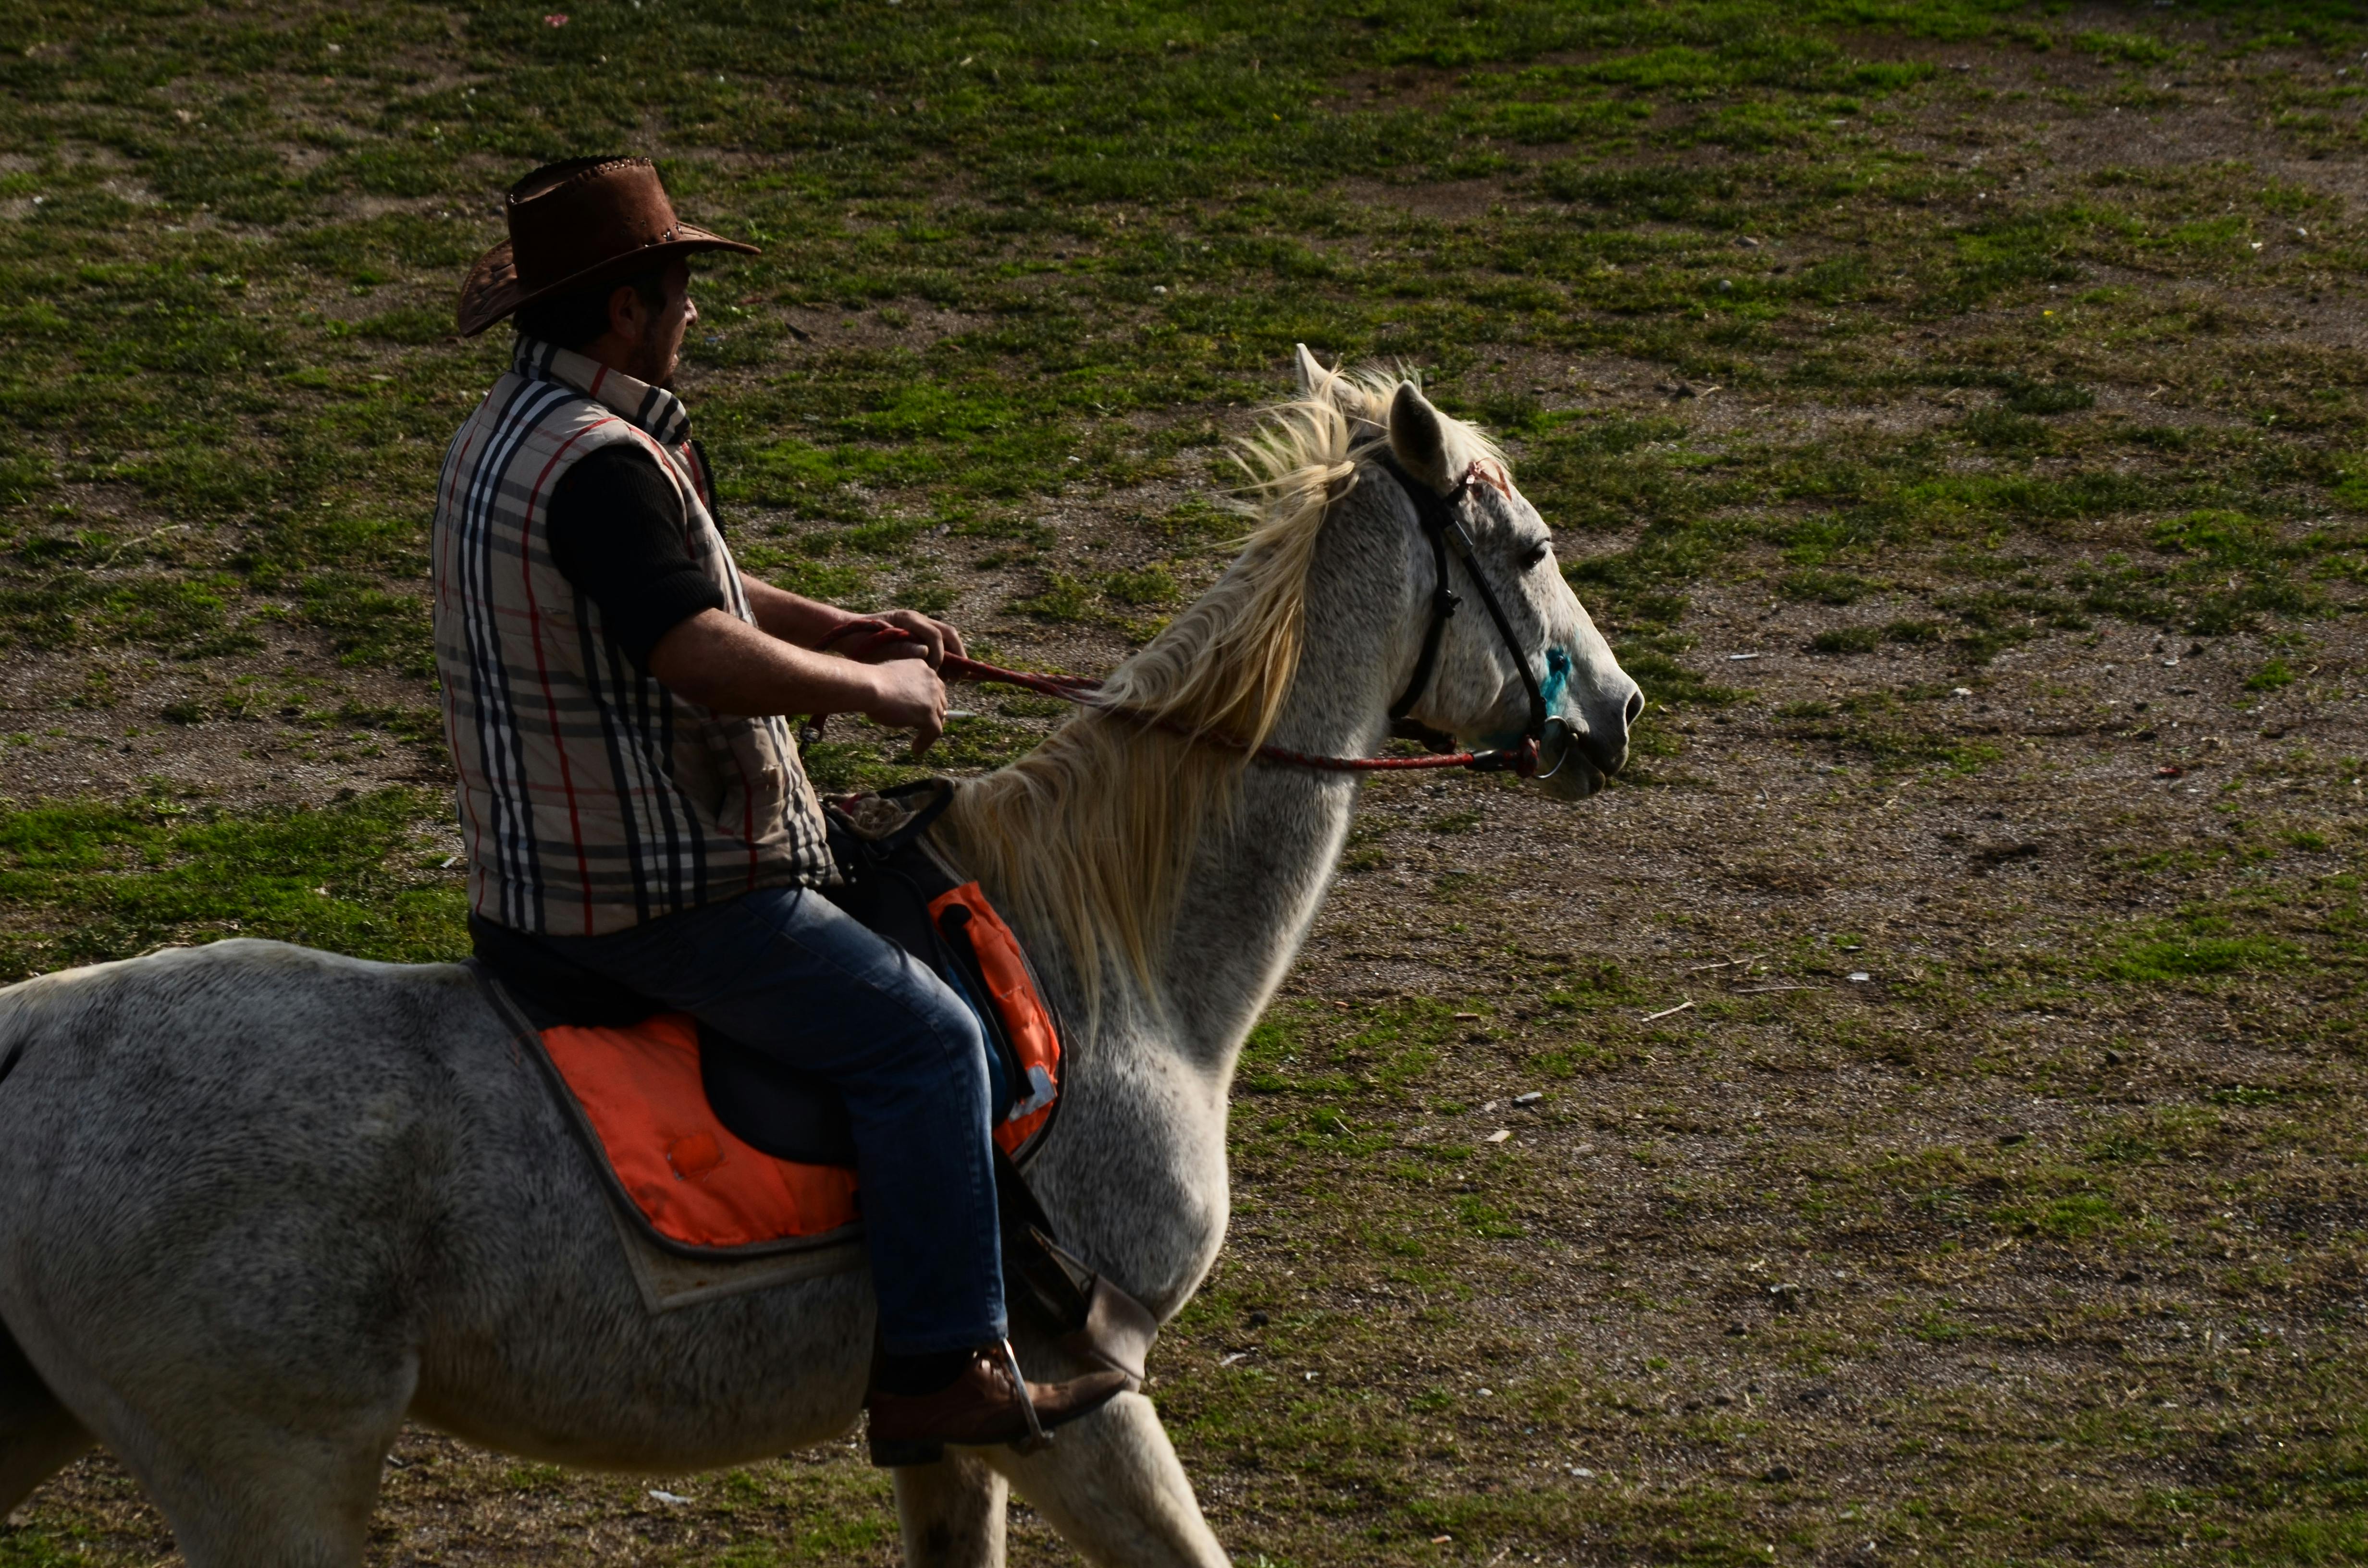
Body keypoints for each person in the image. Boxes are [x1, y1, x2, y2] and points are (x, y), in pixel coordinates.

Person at [432, 155, 1123, 1456]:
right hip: (651, 897)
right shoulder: (603, 463)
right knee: (926, 1041)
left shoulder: (523, 429)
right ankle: (943, 1366)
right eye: (680, 289)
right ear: (627, 309)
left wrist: (849, 629)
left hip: (534, 878)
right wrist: (872, 693)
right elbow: (692, 646)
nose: (696, 313)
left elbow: (692, 585)